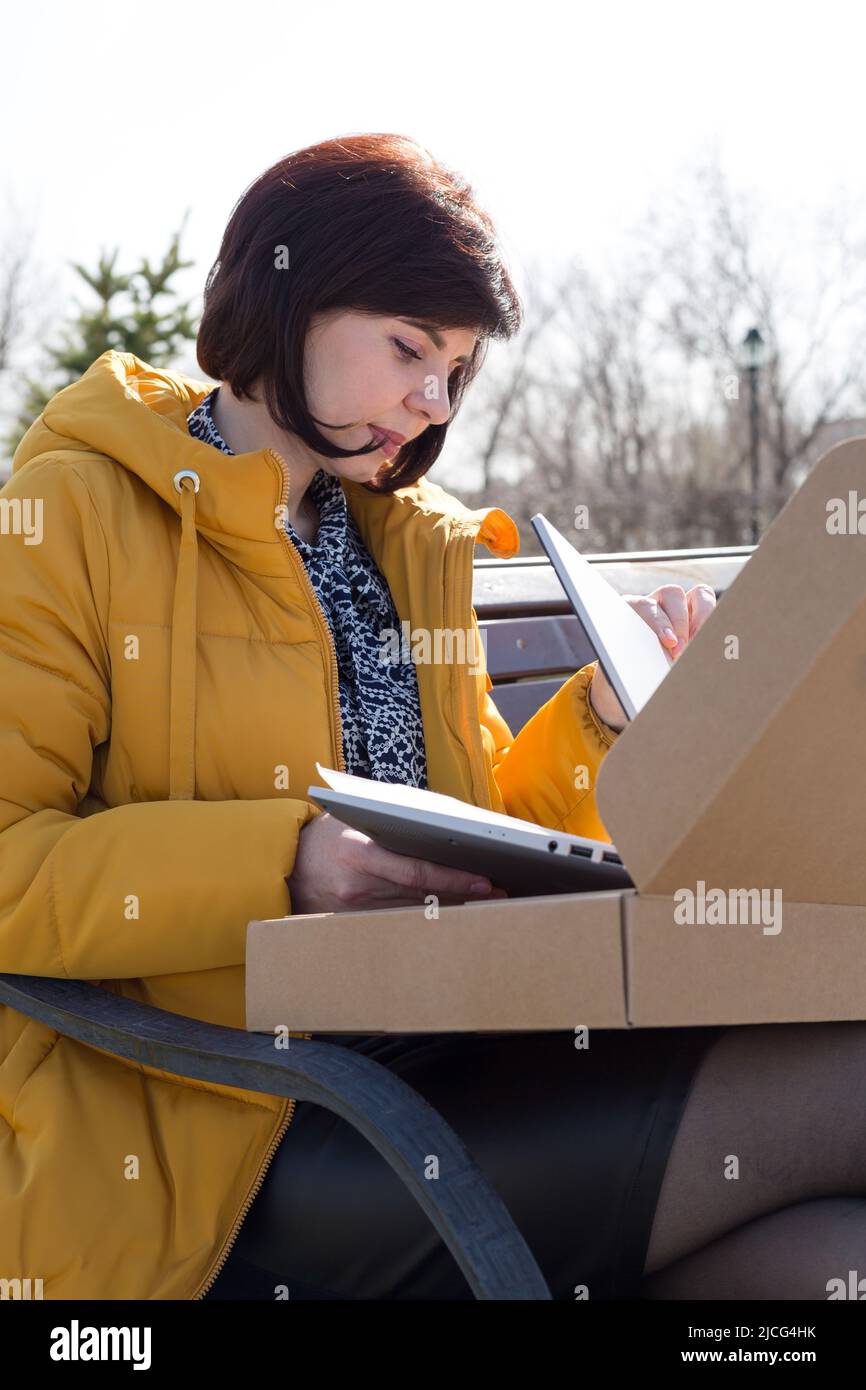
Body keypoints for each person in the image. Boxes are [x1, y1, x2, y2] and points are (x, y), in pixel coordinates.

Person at [1, 134, 864, 1302]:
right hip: (232, 1120)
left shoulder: (403, 543)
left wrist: (610, 714)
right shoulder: (76, 510)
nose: (433, 397)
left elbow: (475, 828)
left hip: (472, 1040)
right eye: (409, 347)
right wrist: (281, 862)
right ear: (283, 292)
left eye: (455, 368)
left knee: (832, 1259)